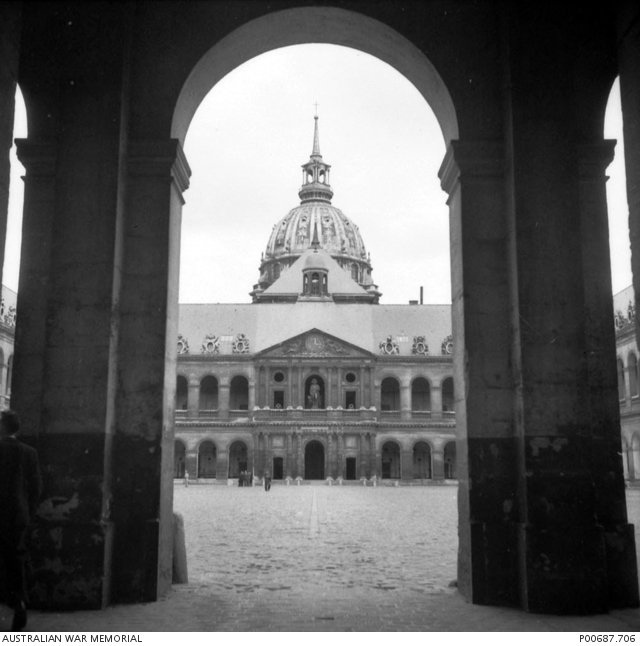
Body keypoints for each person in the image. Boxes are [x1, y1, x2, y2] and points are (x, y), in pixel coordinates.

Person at [0, 410, 42, 632]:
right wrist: (29, 513)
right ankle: (19, 604)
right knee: (15, 560)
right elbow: (36, 488)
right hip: (18, 515)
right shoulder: (29, 452)